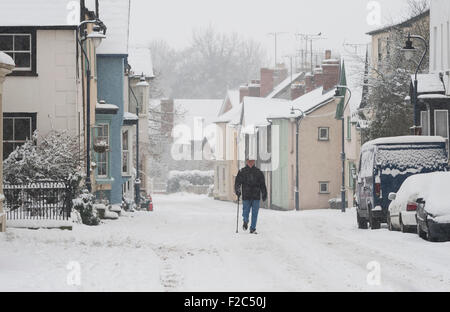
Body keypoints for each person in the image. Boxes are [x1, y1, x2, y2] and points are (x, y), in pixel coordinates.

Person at [235, 158, 267, 234]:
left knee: (255, 213)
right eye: (249, 161)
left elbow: (262, 184)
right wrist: (237, 191)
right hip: (246, 196)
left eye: (252, 161)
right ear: (246, 161)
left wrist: (264, 193)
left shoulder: (258, 172)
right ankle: (245, 221)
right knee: (246, 211)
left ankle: (252, 228)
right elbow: (237, 183)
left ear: (254, 162)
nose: (251, 162)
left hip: (256, 196)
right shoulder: (242, 172)